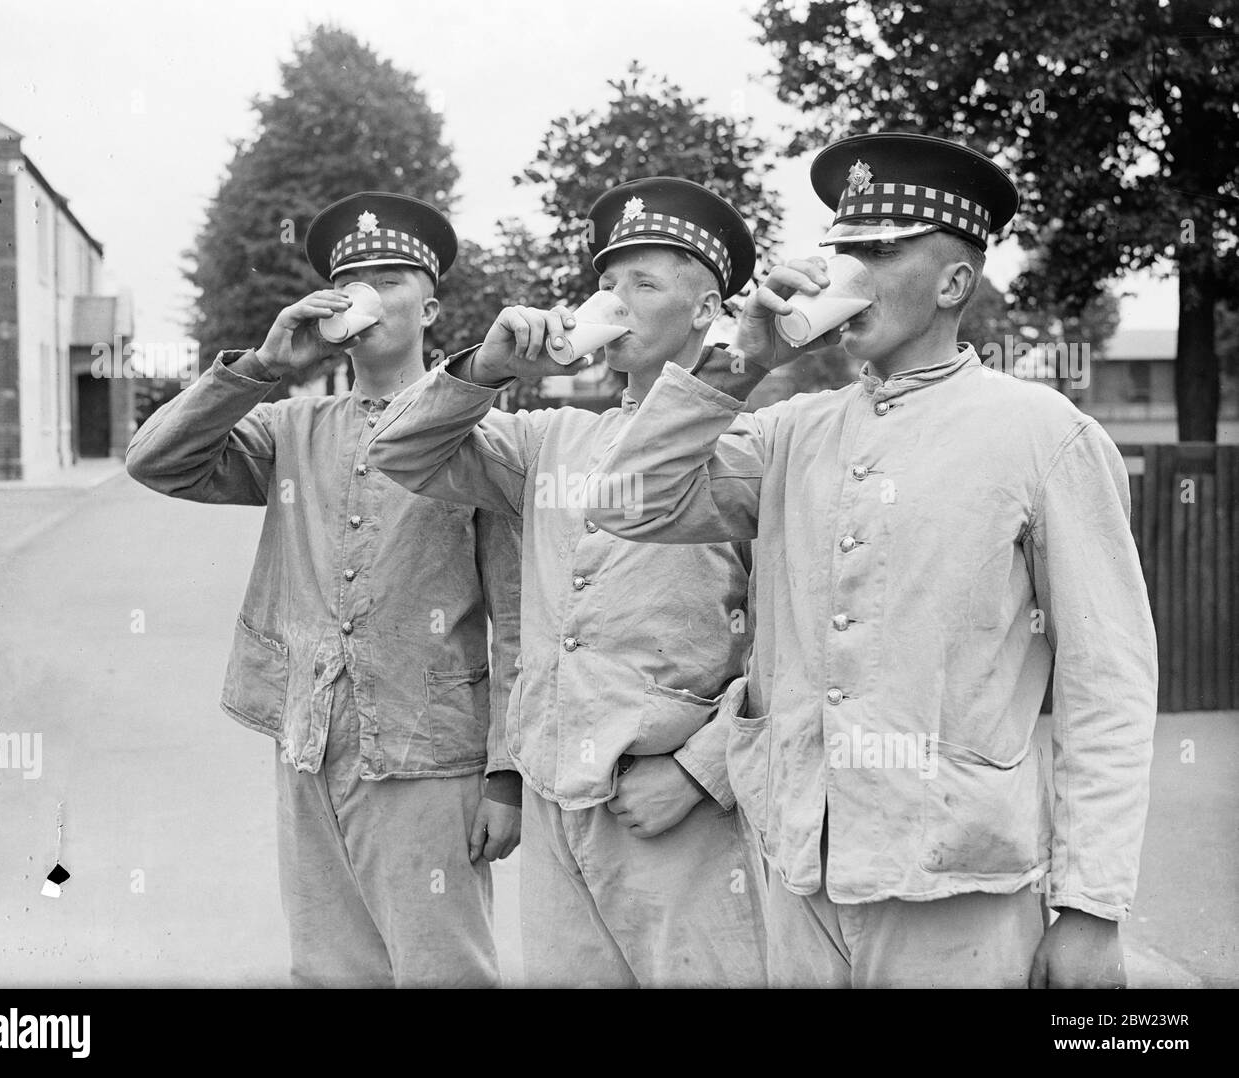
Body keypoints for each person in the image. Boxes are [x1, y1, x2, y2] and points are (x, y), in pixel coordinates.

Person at [584, 134, 1158, 989]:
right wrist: (742, 366)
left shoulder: (1042, 434)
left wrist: (1091, 909)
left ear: (954, 284)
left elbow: (1107, 685)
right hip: (797, 871)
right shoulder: (792, 430)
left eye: (879, 252)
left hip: (955, 881)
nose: (846, 272)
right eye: (842, 251)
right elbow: (625, 502)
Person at [367, 177, 768, 987]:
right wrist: (485, 367)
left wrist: (701, 771)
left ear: (704, 311)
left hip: (676, 812)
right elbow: (400, 451)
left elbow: (794, 642)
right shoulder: (549, 438)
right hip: (558, 806)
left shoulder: (755, 444)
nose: (615, 302)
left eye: (644, 283)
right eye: (607, 284)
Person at [126, 192, 522, 988]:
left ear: (432, 304)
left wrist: (505, 776)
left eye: (390, 278)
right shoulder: (292, 427)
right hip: (308, 739)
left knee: (444, 967)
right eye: (350, 280)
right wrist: (264, 369)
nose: (365, 295)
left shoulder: (484, 437)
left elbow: (516, 619)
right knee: (328, 969)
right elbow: (156, 461)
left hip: (428, 750)